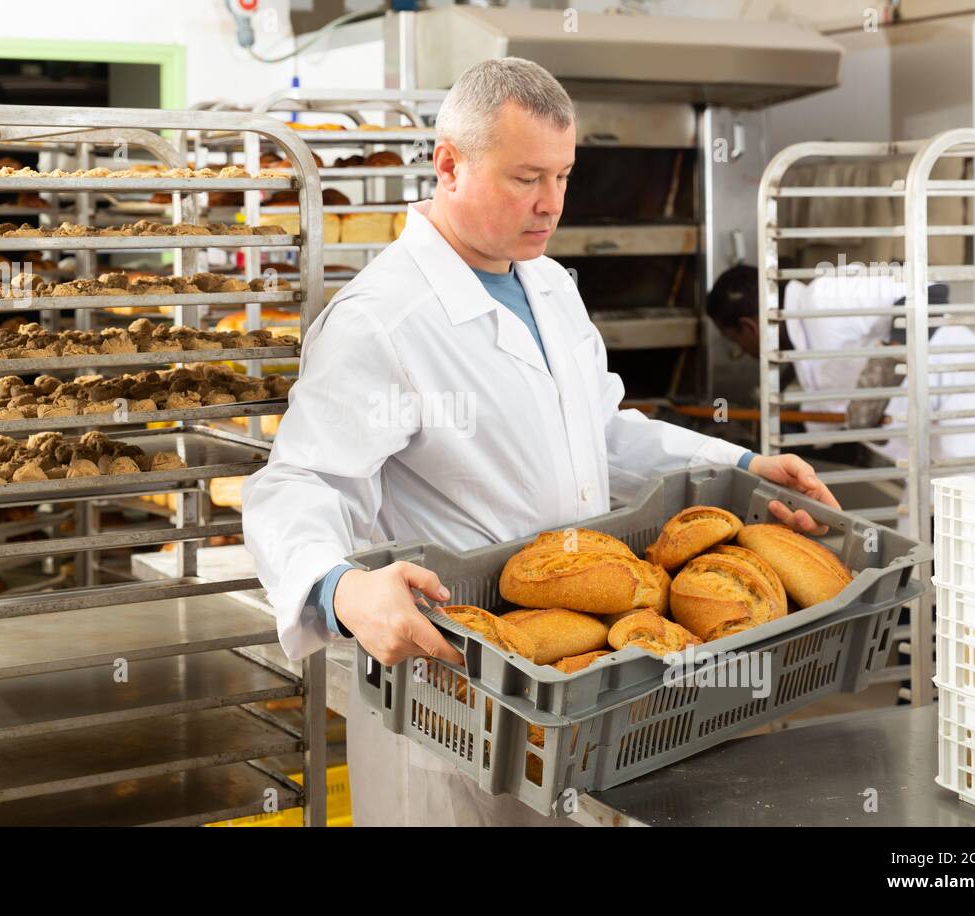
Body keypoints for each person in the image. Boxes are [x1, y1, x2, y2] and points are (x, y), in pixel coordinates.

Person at [242, 59, 841, 827]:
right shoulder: (381, 319)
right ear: (449, 164)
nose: (550, 203)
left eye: (563, 175)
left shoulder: (550, 285)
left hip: (574, 679)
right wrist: (340, 588)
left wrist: (744, 465)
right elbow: (299, 484)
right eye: (527, 177)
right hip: (454, 688)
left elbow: (602, 429)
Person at [707, 264, 975, 498]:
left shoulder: (824, 295)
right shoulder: (801, 356)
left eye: (735, 342)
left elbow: (929, 292)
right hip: (937, 429)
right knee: (946, 532)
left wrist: (883, 376)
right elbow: (826, 419)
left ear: (748, 327)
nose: (743, 351)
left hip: (974, 400)